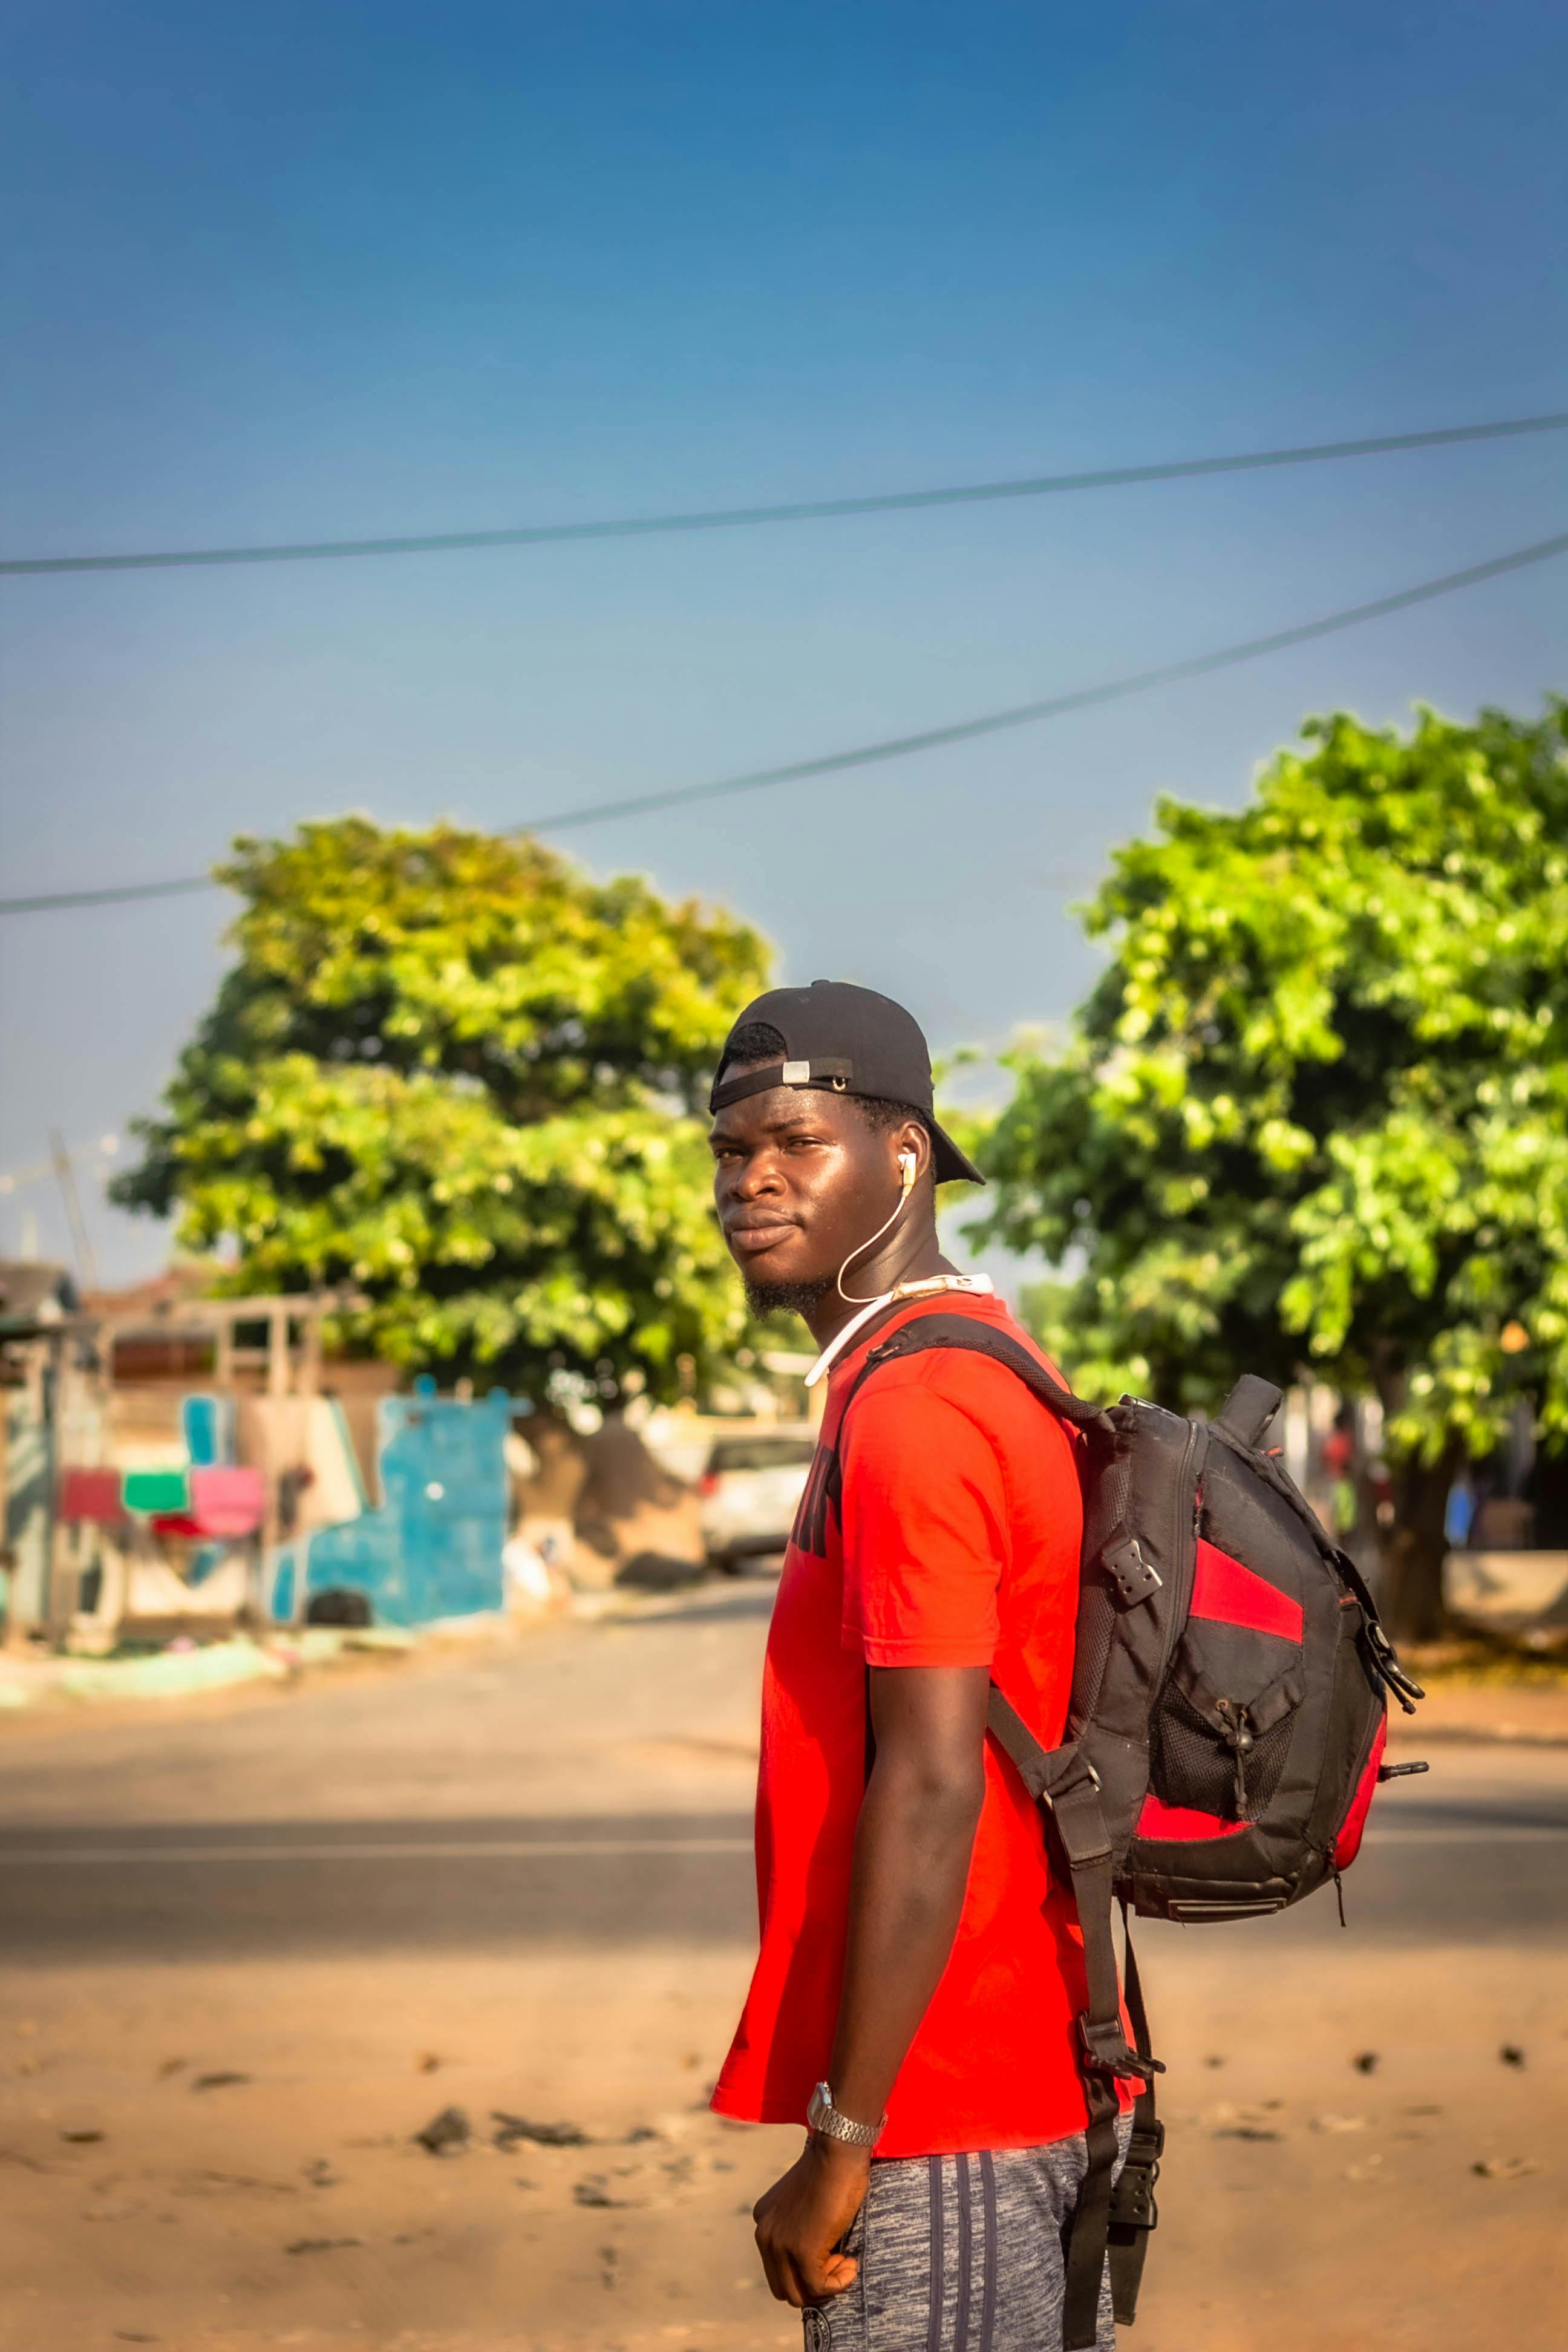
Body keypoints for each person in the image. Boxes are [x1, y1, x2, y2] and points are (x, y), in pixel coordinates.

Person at [707, 980, 1132, 2352]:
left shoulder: (921, 1407)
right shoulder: (955, 1365)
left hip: (955, 2103)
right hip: (999, 2083)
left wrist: (842, 2142)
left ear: (905, 1157)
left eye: (795, 1142)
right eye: (729, 1152)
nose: (752, 1181)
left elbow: (936, 1781)